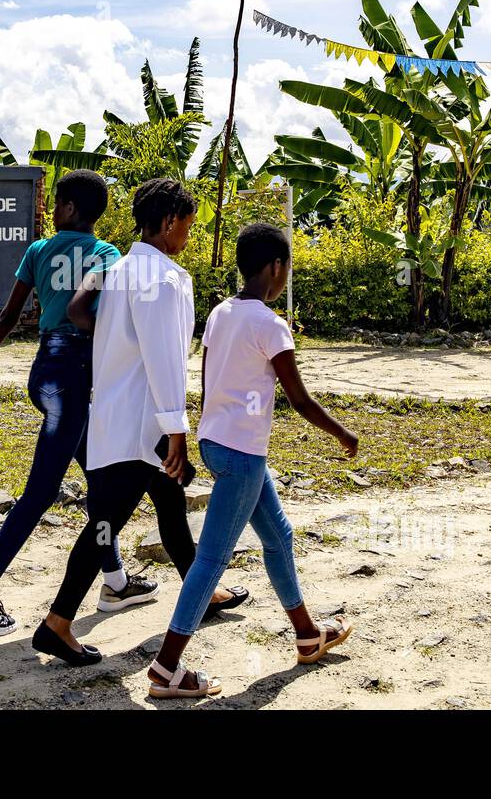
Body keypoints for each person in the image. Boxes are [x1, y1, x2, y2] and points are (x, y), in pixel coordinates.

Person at [31, 177, 246, 667]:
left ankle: (203, 593)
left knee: (169, 507)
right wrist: (177, 431)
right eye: (187, 227)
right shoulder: (162, 278)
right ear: (169, 222)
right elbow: (164, 358)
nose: (187, 237)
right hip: (143, 427)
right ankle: (57, 623)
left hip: (120, 418)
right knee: (104, 524)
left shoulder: (121, 269)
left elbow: (93, 321)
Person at [146, 223, 359, 699]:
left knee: (278, 535)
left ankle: (307, 634)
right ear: (277, 268)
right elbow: (299, 400)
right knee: (212, 559)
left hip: (217, 443)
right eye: (286, 270)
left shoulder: (221, 313)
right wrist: (342, 433)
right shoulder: (270, 324)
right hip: (242, 454)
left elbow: (206, 378)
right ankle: (166, 667)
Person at [0, 170, 159, 637]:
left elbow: (8, 315)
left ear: (66, 207)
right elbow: (105, 319)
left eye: (56, 204)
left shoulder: (38, 251)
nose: (51, 211)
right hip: (77, 379)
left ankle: (116, 581)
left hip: (46, 372)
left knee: (100, 486)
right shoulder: (107, 254)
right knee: (42, 492)